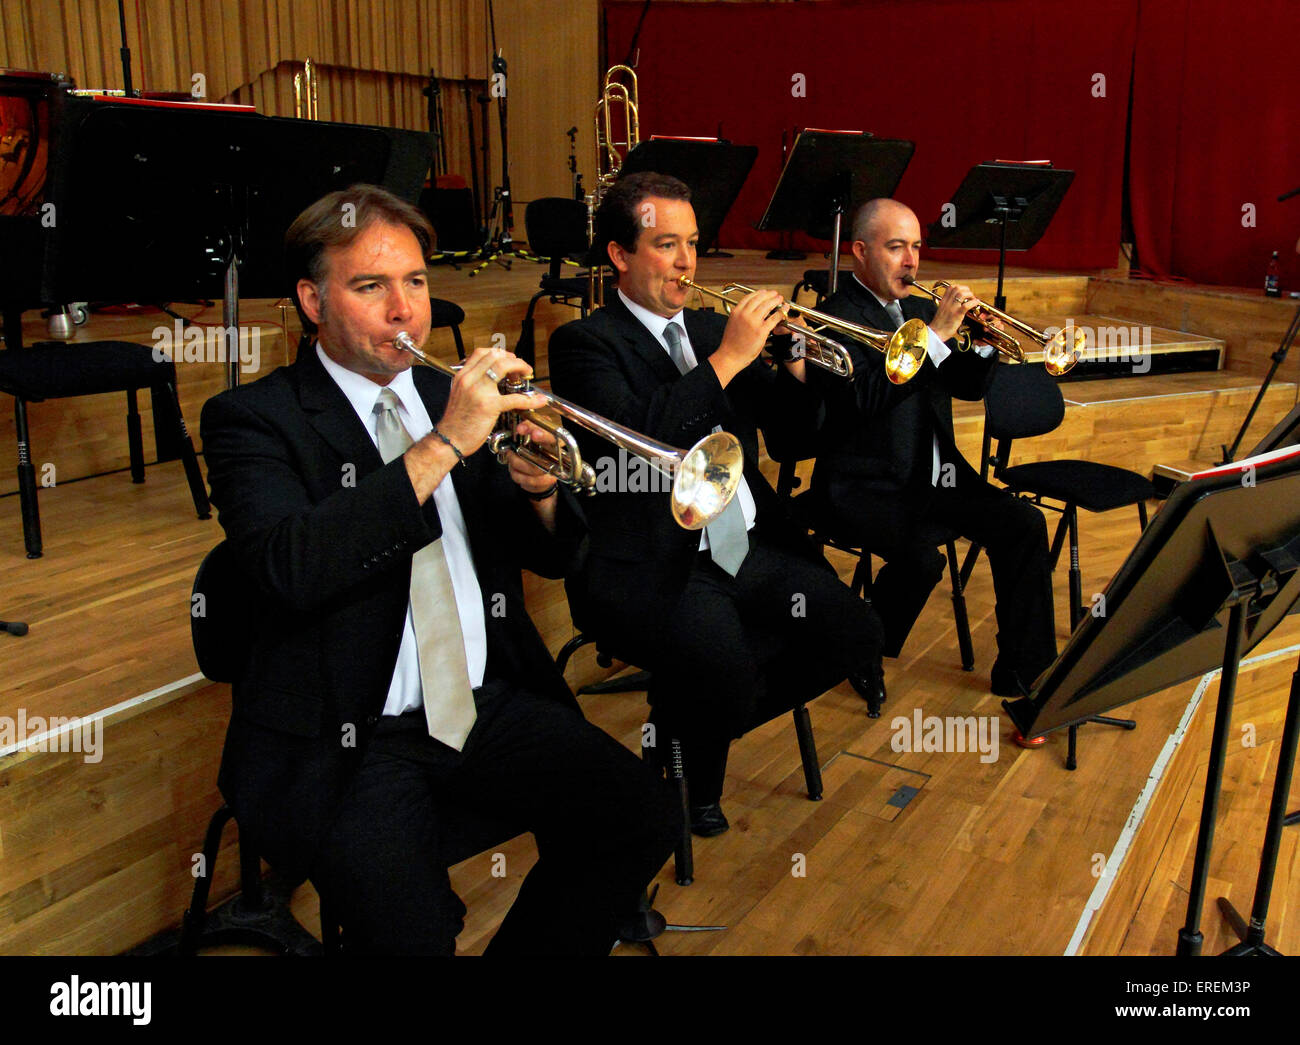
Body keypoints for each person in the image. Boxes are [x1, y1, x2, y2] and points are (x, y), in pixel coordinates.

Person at [199, 184, 679, 955]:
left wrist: (544, 490)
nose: (405, 311)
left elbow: (555, 558)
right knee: (416, 933)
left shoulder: (441, 394)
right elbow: (290, 567)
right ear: (311, 301)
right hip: (351, 737)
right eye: (370, 286)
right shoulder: (255, 419)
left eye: (417, 282)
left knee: (640, 817)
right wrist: (444, 442)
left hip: (479, 703)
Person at [548, 172, 884, 838]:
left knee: (855, 635)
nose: (686, 262)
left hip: (746, 543)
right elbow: (635, 443)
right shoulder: (585, 342)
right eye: (665, 244)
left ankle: (678, 728)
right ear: (619, 255)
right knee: (723, 668)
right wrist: (728, 359)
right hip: (659, 557)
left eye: (693, 244)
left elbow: (794, 437)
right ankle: (694, 766)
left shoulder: (709, 322)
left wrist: (790, 364)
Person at [807, 198, 1057, 695]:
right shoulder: (832, 318)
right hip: (868, 483)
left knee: (1024, 524)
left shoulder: (922, 309)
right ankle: (861, 644)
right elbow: (863, 400)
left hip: (937, 476)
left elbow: (965, 386)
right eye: (896, 247)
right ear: (859, 250)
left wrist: (985, 341)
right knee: (922, 558)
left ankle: (1027, 675)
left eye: (916, 247)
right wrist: (937, 337)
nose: (911, 261)